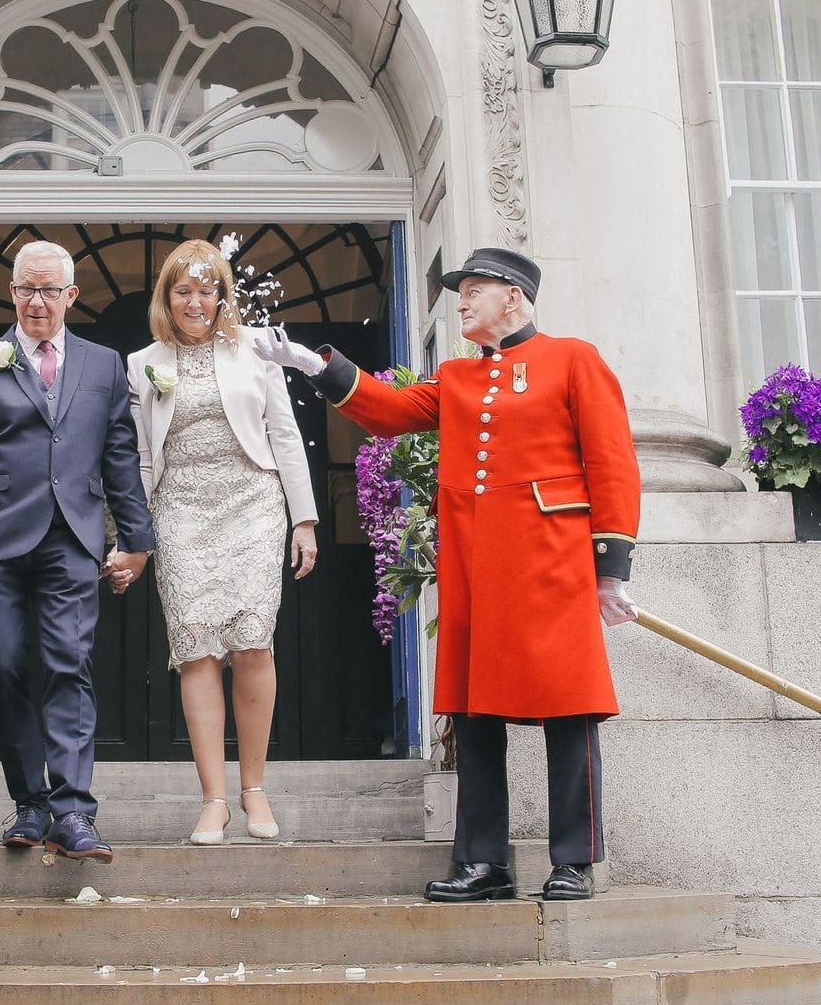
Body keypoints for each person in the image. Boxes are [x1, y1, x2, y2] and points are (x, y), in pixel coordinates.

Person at [255, 247, 639, 902]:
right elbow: (388, 408)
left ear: (513, 296)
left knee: (569, 707)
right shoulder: (459, 377)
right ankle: (484, 863)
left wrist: (612, 567)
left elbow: (611, 461)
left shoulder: (573, 358)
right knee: (476, 711)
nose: (459, 303)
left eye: (472, 291)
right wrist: (315, 365)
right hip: (476, 567)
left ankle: (574, 860)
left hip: (553, 561)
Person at [0, 240, 157, 863]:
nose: (37, 303)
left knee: (69, 664)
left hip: (72, 537)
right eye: (26, 291)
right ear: (12, 294)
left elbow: (119, 457)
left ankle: (73, 810)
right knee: (3, 666)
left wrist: (136, 540)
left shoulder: (104, 365)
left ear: (71, 296)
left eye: (49, 291)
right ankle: (29, 800)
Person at [123, 240, 318, 844]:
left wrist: (304, 519)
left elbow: (285, 437)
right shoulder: (141, 362)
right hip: (179, 510)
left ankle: (254, 791)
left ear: (222, 294)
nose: (196, 301)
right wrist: (131, 532)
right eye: (183, 290)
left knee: (254, 643)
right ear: (167, 297)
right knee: (197, 649)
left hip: (253, 505)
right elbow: (135, 453)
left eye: (207, 289)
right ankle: (214, 800)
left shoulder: (255, 351)